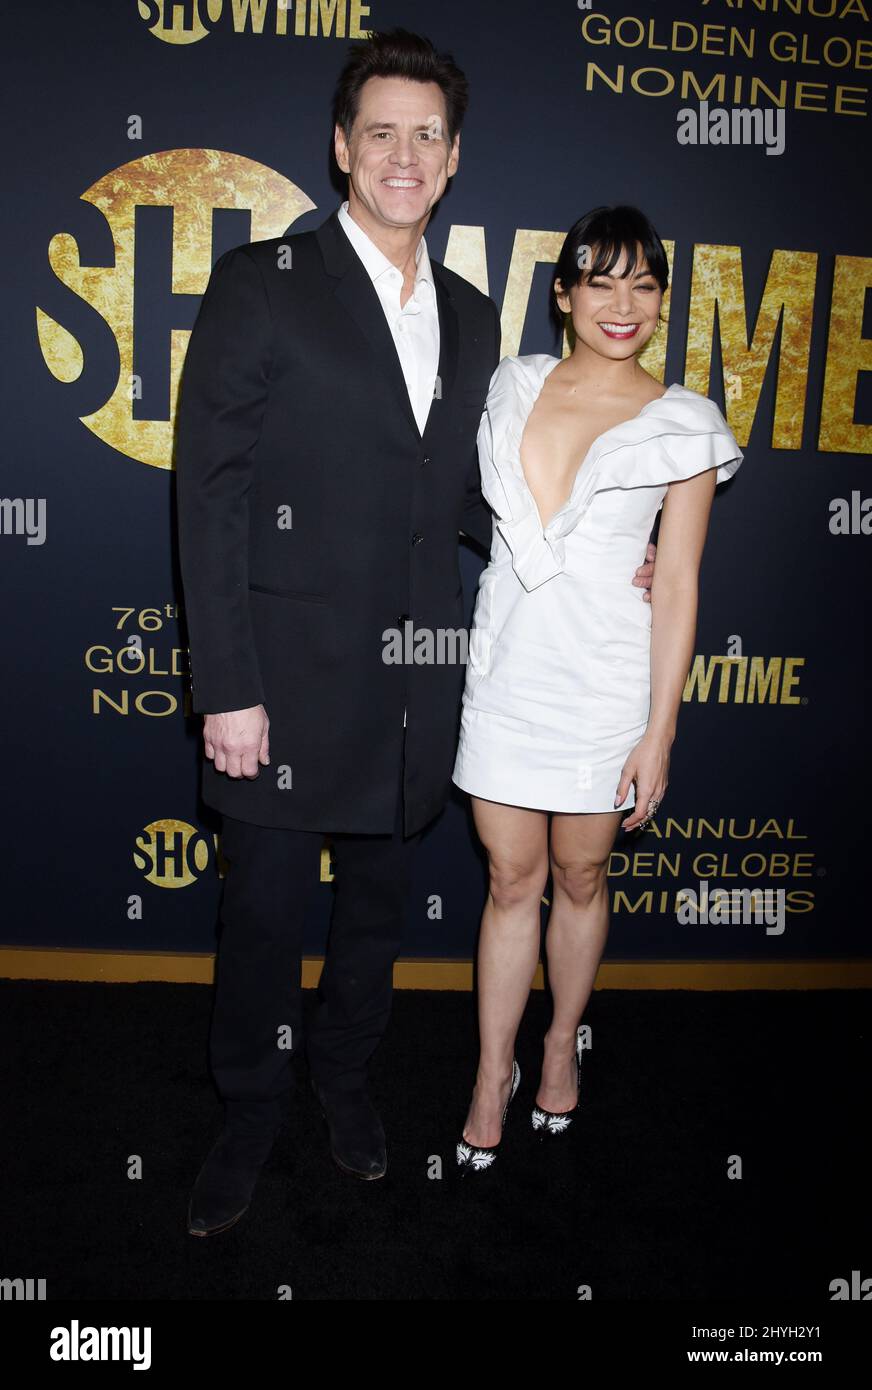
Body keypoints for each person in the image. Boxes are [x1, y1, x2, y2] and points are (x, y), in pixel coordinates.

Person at [176, 30, 655, 1236]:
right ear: (342, 149)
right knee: (263, 917)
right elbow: (211, 493)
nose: (404, 154)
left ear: (452, 160)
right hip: (278, 684)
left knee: (377, 915)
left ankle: (344, 1082)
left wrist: (600, 551)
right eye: (380, 132)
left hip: (416, 679)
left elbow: (463, 496)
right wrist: (225, 685)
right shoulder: (261, 282)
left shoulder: (470, 315)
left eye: (426, 135)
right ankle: (248, 1114)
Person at [451, 205, 743, 1172]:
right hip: (509, 669)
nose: (624, 305)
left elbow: (680, 583)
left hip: (604, 684)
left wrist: (661, 732)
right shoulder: (513, 383)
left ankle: (557, 1044)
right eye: (602, 282)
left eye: (644, 285)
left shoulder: (685, 423)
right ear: (564, 294)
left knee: (580, 877)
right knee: (510, 881)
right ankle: (491, 1071)